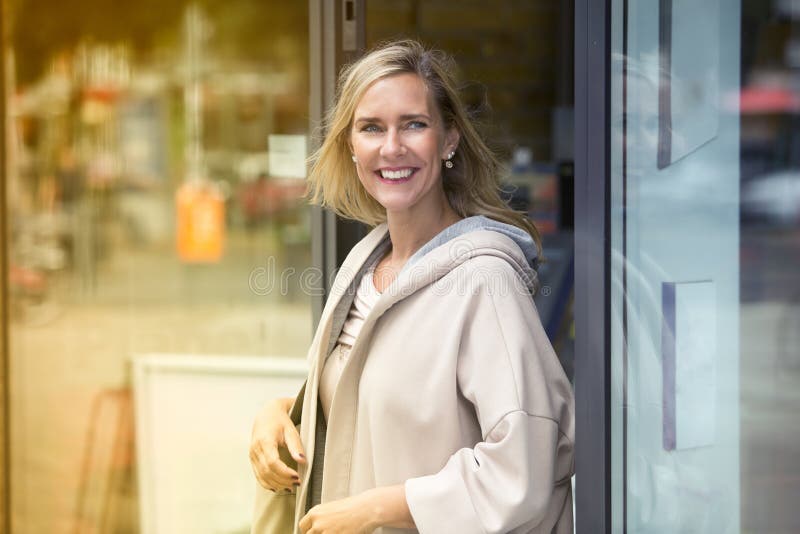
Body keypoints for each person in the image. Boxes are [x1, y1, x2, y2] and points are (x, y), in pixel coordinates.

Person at [249, 39, 574, 534]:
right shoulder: (363, 266)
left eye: (414, 124)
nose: (391, 147)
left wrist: (380, 508)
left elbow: (524, 467)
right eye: (371, 128)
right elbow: (366, 408)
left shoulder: (485, 281)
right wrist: (281, 416)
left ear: (449, 141)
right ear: (351, 148)